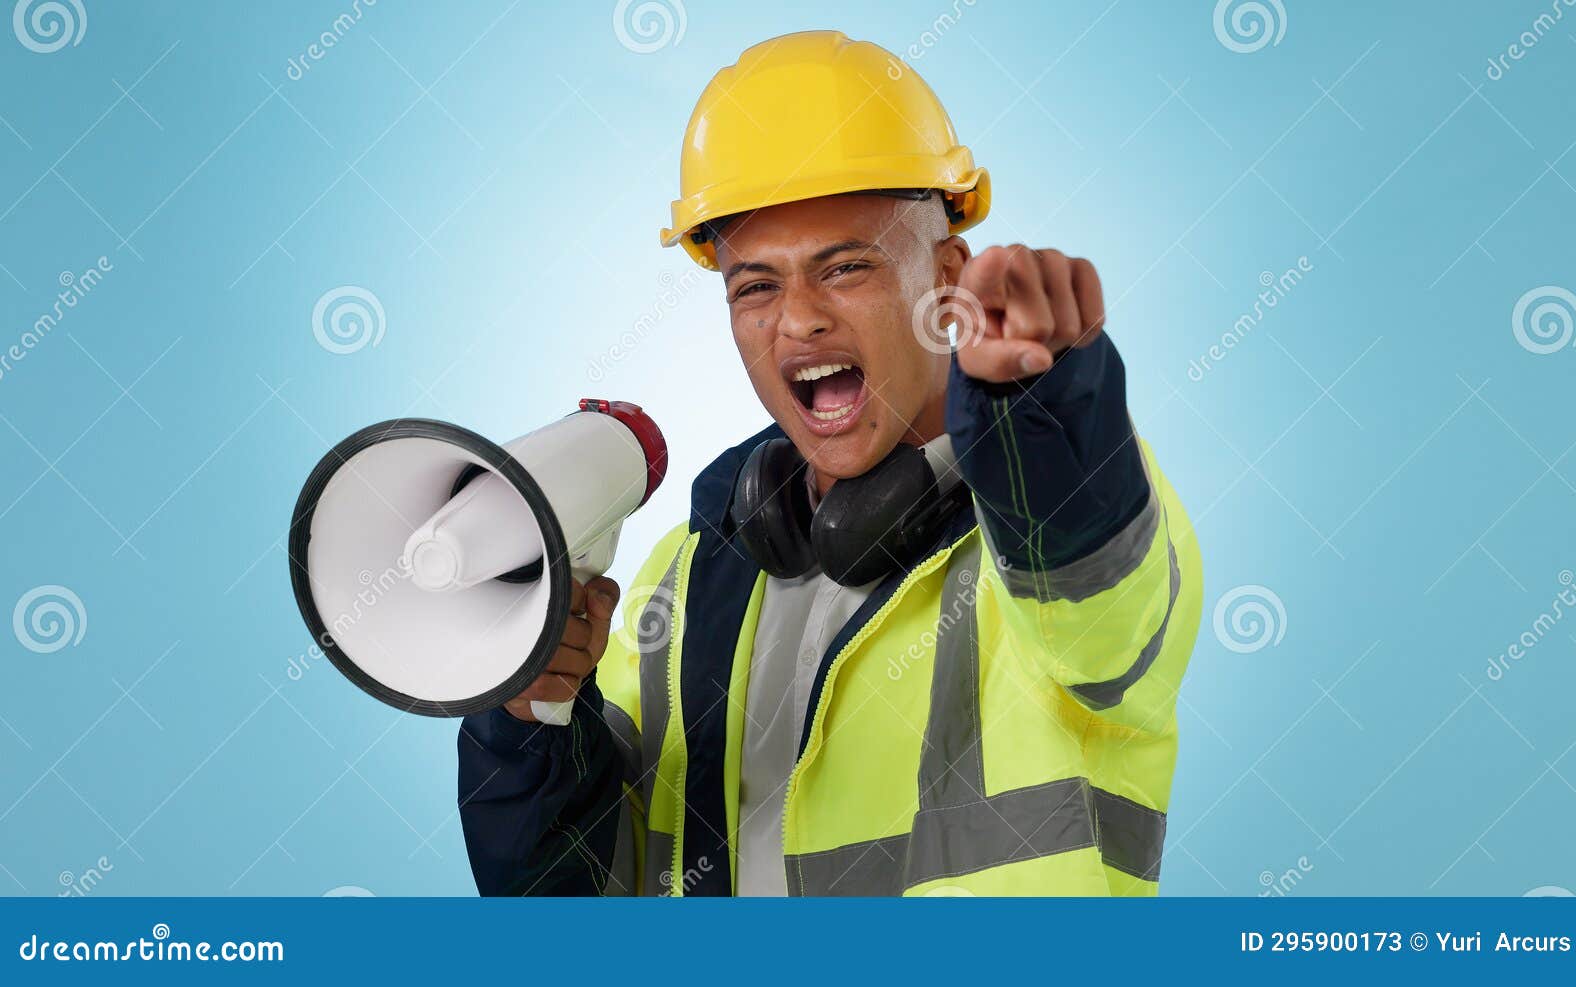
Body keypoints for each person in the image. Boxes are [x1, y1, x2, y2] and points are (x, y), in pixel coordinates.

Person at [457, 30, 1203, 896]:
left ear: (947, 276)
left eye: (847, 267)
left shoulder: (1059, 532)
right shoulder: (684, 582)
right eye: (757, 286)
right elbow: (579, 903)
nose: (799, 321)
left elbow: (1101, 600)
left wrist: (1043, 402)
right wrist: (533, 719)